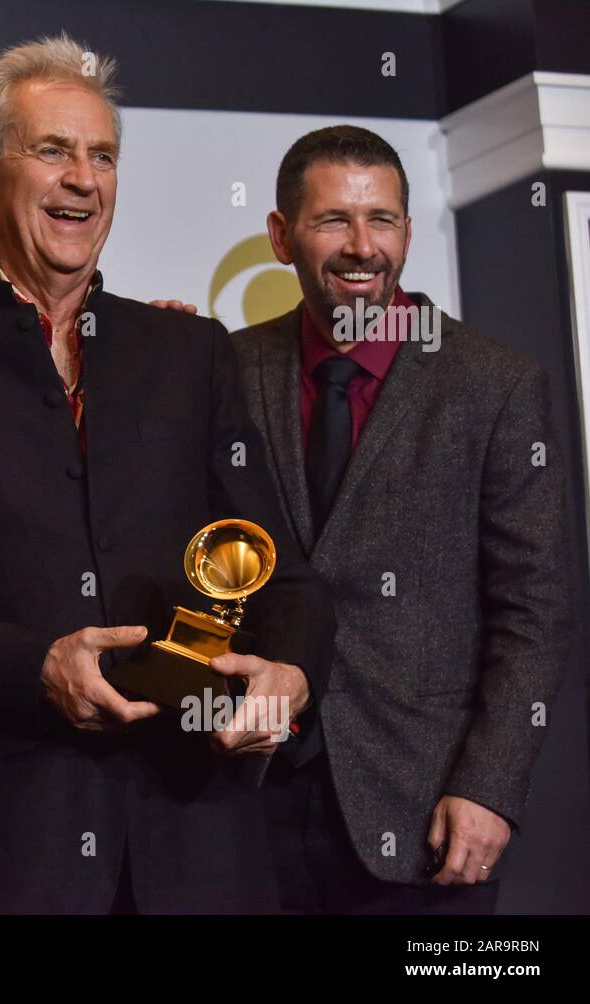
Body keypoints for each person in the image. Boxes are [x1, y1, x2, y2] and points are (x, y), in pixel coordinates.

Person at [0, 33, 336, 914]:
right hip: (3, 847)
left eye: (102, 156)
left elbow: (280, 575)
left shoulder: (190, 352)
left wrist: (286, 672)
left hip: (201, 840)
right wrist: (35, 669)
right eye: (52, 151)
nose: (83, 180)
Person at [231, 125, 571, 913]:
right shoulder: (227, 369)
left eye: (381, 219)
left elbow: (536, 612)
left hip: (425, 816)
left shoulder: (496, 387)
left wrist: (490, 787)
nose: (361, 246)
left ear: (409, 234)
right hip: (247, 808)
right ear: (281, 236)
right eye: (332, 220)